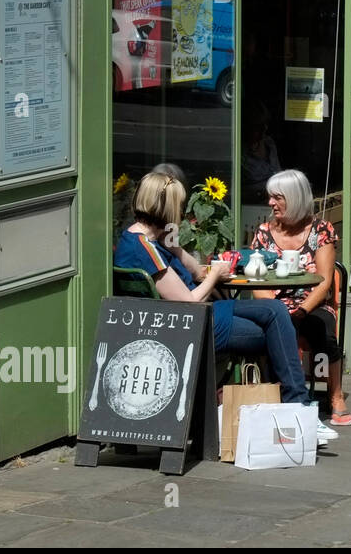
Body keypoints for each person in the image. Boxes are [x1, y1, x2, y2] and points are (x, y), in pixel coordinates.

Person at [113, 173, 338, 442]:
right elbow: (189, 301)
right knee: (275, 328)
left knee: (275, 310)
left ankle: (296, 406)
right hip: (190, 325)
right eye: (179, 205)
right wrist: (215, 275)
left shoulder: (146, 240)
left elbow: (196, 273)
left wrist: (174, 248)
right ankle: (297, 411)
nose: (182, 212)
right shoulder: (143, 249)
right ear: (167, 206)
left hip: (200, 314)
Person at [250, 170, 351, 425]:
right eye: (270, 197)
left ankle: (336, 395)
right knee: (260, 331)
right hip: (275, 304)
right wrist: (275, 309)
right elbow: (256, 280)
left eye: (277, 198)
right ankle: (273, 391)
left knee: (322, 330)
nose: (271, 203)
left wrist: (302, 311)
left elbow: (326, 280)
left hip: (312, 302)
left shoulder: (321, 230)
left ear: (294, 198)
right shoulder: (264, 231)